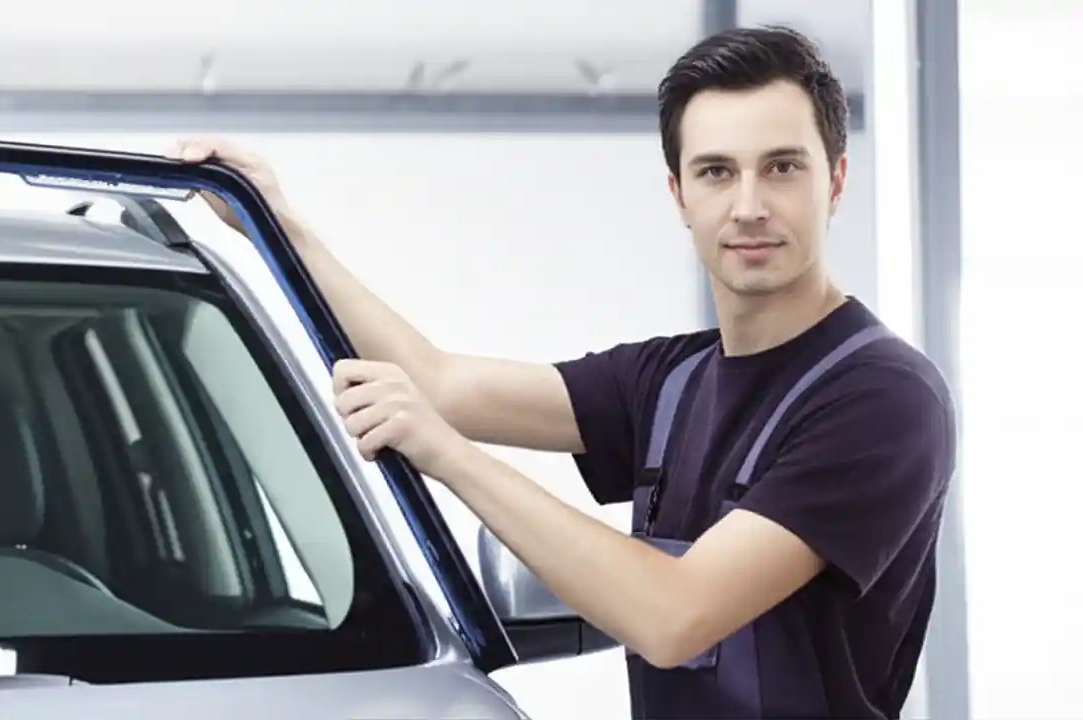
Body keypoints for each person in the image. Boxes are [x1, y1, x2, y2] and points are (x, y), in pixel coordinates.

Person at [169, 24, 956, 720]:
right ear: (679, 194)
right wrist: (277, 228)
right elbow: (438, 383)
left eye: (781, 167)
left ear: (837, 181)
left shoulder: (882, 399)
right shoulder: (669, 380)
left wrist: (444, 452)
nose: (748, 205)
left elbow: (674, 613)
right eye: (717, 171)